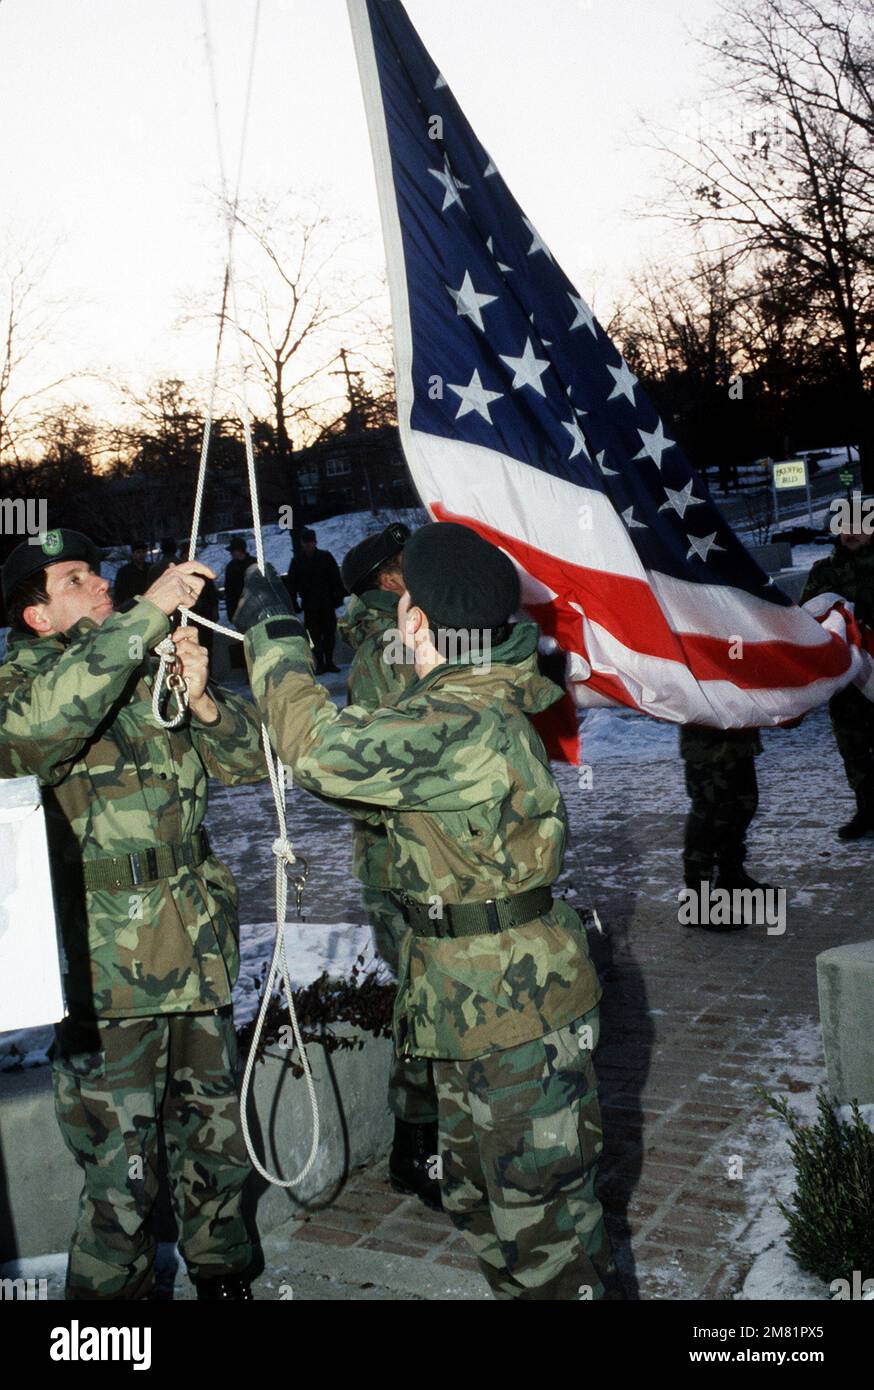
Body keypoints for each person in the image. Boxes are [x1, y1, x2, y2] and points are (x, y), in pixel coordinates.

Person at [234, 521, 618, 1301]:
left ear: (415, 623)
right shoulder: (456, 702)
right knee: (485, 1206)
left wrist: (274, 636)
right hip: (466, 1000)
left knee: (545, 1239)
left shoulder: (463, 723)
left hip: (514, 1016)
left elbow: (319, 752)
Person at [0, 529, 267, 1301]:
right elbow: (36, 731)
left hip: (192, 943)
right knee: (121, 1173)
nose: (98, 582)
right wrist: (149, 611)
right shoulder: (25, 683)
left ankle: (223, 1278)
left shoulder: (145, 657)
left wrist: (207, 698)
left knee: (216, 1143)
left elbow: (248, 764)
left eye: (94, 568)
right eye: (73, 579)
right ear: (37, 619)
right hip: (104, 968)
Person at [338, 523, 440, 1209]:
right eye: (409, 565)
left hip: (413, 855)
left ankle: (428, 1141)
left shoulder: (403, 636)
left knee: (431, 995)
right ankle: (417, 1148)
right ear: (388, 581)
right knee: (422, 1000)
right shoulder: (389, 648)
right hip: (402, 861)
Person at [800, 509, 874, 839]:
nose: (851, 534)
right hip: (846, 684)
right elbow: (806, 617)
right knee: (853, 749)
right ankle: (866, 812)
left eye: (859, 527)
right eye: (845, 527)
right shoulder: (823, 572)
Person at [679, 724, 767, 929]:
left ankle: (731, 879)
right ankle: (695, 902)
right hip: (706, 737)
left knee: (743, 804)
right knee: (710, 815)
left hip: (738, 733)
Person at [283, 528, 345, 674]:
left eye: (310, 542)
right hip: (310, 605)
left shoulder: (325, 557)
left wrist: (337, 598)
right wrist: (294, 603)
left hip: (326, 603)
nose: (308, 545)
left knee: (329, 634)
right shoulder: (297, 562)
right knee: (314, 636)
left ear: (314, 542)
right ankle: (320, 663)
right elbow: (292, 584)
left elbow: (336, 579)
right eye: (306, 542)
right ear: (303, 544)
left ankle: (329, 661)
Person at [224, 537, 256, 671]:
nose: (231, 554)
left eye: (233, 551)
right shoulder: (231, 567)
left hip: (254, 609)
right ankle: (251, 670)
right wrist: (232, 613)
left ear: (239, 551)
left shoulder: (253, 564)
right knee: (247, 643)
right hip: (242, 611)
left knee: (255, 641)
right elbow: (229, 593)